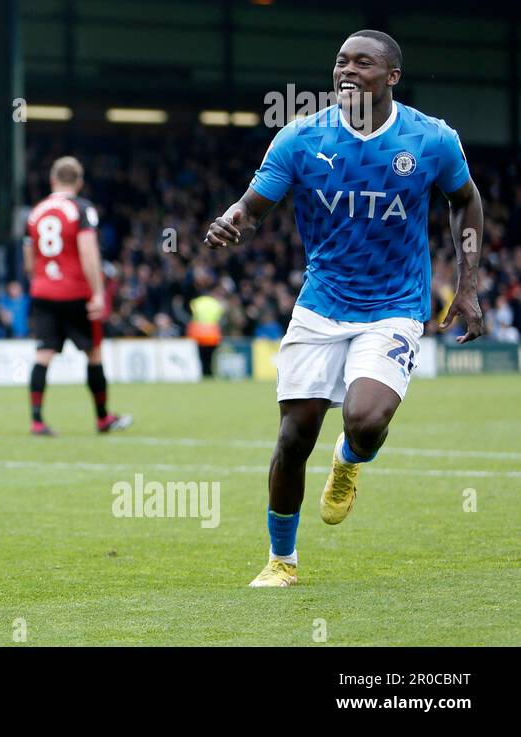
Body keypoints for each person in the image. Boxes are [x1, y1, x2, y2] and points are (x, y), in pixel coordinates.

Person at [204, 29, 484, 588]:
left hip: (396, 304)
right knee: (293, 435)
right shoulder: (300, 138)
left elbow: (465, 201)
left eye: (363, 62)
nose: (347, 70)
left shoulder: (430, 139)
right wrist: (233, 220)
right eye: (341, 61)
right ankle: (282, 561)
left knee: (366, 418)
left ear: (391, 77)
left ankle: (350, 461)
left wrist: (468, 284)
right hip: (322, 304)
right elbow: (254, 206)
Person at [25, 156, 132, 436]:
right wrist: (97, 293)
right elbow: (88, 251)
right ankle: (102, 418)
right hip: (75, 292)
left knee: (44, 353)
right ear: (80, 182)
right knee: (93, 353)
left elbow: (29, 255)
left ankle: (37, 421)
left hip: (43, 290)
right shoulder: (81, 208)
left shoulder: (37, 211)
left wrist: (38, 280)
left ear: (53, 180)